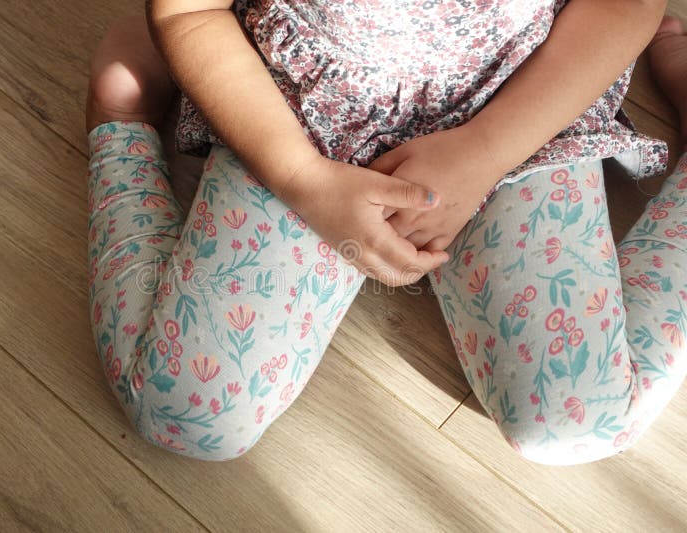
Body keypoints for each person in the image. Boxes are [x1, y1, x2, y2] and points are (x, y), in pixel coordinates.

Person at [86, 0, 687, 465]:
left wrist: (485, 151)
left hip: (521, 98)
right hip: (300, 112)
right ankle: (121, 124)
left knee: (580, 422)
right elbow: (191, 11)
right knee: (183, 412)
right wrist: (302, 179)